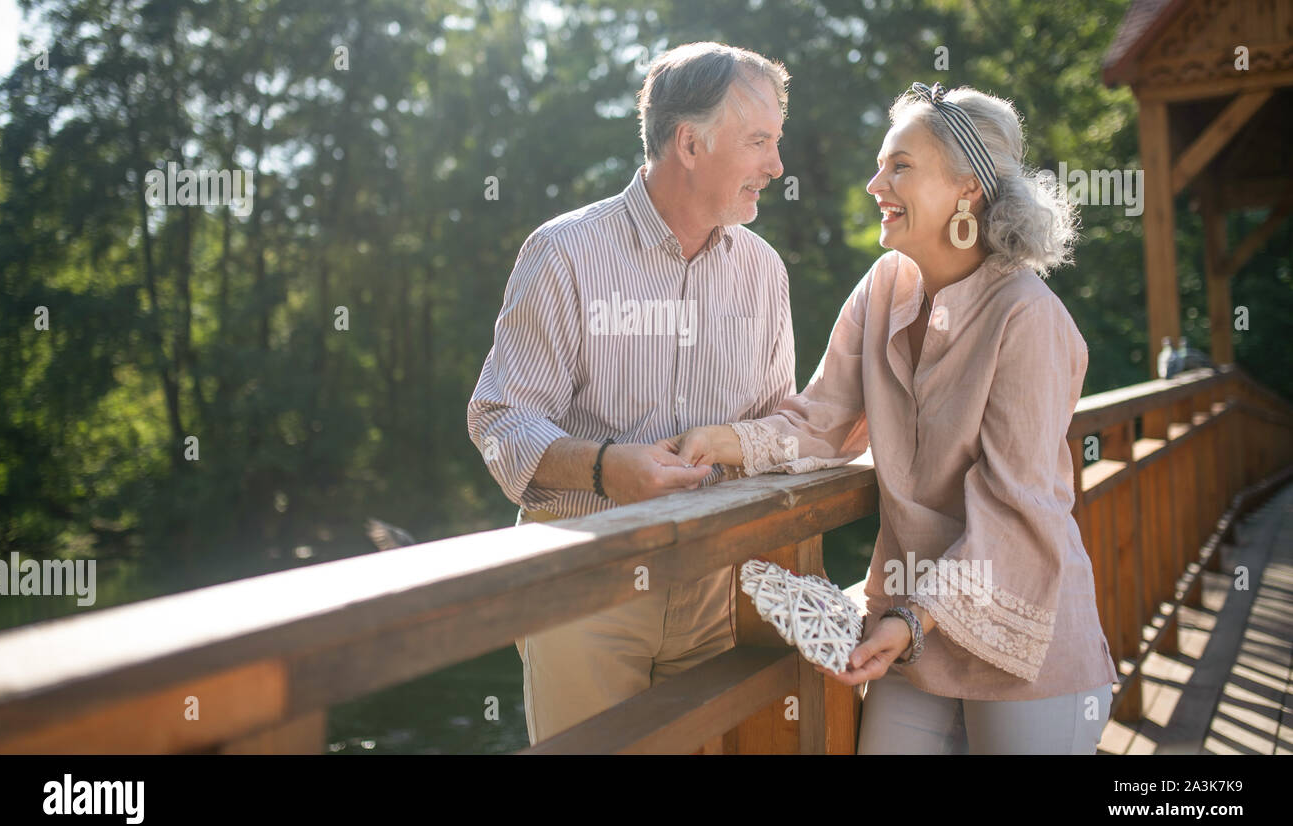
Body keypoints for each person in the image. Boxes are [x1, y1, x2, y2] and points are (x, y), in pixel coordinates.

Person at [671, 82, 1118, 754]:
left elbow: (1013, 509)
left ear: (967, 190)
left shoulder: (1028, 315)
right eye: (882, 164)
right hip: (910, 635)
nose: (875, 182)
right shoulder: (883, 286)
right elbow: (820, 421)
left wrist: (912, 619)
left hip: (1021, 633)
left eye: (900, 166)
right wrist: (721, 441)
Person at [467, 42, 797, 746]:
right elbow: (500, 419)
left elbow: (782, 425)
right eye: (760, 142)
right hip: (585, 583)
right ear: (690, 143)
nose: (776, 166)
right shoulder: (563, 252)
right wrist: (603, 468)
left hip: (722, 589)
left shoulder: (765, 273)